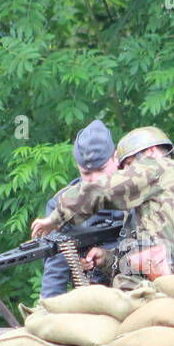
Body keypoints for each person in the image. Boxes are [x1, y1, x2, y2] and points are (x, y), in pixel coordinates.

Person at [30, 125, 174, 280]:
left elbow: (102, 189)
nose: (126, 172)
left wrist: (56, 218)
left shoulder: (158, 167)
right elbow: (139, 254)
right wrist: (106, 258)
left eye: (128, 165)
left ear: (150, 152)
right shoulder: (169, 186)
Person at [39, 120, 126, 299]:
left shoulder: (138, 191)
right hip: (91, 296)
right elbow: (55, 269)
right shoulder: (61, 204)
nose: (94, 180)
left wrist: (108, 256)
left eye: (101, 169)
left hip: (137, 290)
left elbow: (154, 249)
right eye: (86, 173)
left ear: (116, 158)